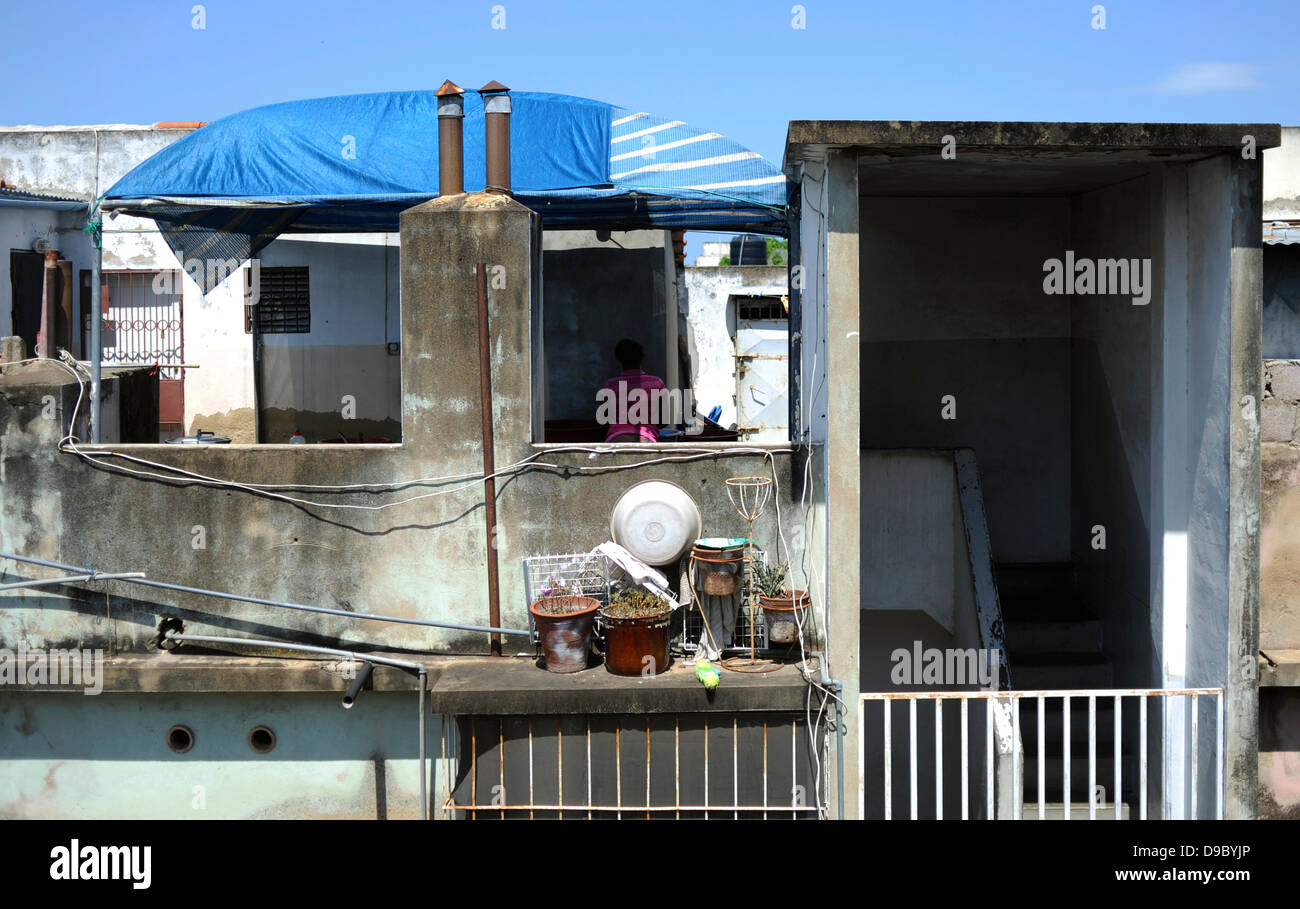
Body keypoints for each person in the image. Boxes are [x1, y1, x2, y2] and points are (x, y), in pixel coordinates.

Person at [598, 338, 667, 443]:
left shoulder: (610, 385)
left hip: (616, 438)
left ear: (618, 358)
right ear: (642, 357)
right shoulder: (657, 383)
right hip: (646, 438)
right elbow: (664, 420)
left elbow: (603, 421)